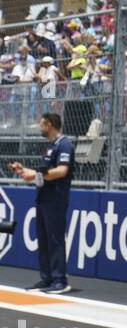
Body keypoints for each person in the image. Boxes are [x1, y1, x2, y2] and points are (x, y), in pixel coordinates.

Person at [9, 113, 74, 294]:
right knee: (44, 240)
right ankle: (47, 278)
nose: (40, 128)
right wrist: (23, 170)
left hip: (56, 199)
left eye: (42, 124)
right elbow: (42, 171)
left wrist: (35, 175)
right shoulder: (49, 147)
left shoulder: (64, 145)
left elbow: (61, 171)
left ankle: (60, 280)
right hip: (43, 198)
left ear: (50, 125)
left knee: (55, 240)